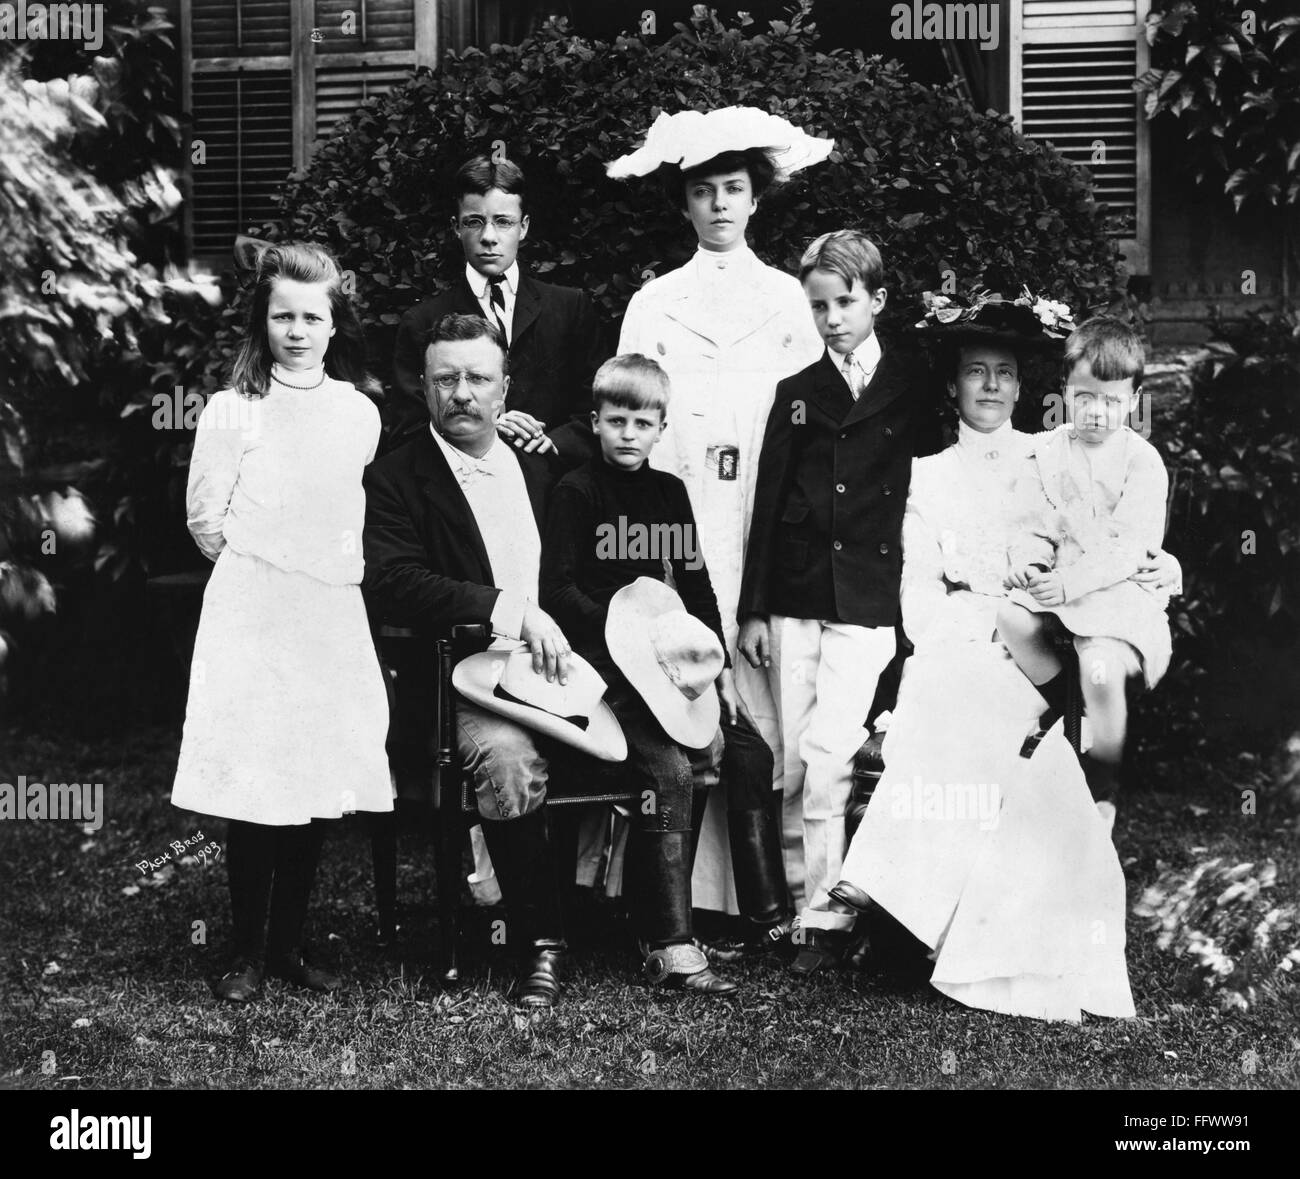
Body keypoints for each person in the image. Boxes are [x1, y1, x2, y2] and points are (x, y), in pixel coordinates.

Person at [823, 294, 1182, 1020]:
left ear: (1025, 388)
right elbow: (920, 592)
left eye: (1004, 373)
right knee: (954, 700)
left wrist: (1165, 564)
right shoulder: (931, 473)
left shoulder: (1053, 449)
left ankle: (896, 894)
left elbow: (1120, 541)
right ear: (953, 384)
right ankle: (906, 911)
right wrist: (977, 629)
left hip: (1057, 642)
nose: (989, 385)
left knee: (979, 709)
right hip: (973, 636)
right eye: (974, 372)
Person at [607, 106, 828, 925]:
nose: (721, 205)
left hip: (759, 517)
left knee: (765, 683)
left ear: (756, 198)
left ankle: (774, 888)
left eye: (734, 188)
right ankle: (680, 894)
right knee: (683, 666)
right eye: (704, 192)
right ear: (686, 204)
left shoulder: (787, 301)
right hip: (678, 512)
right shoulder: (655, 303)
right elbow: (631, 417)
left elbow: (810, 428)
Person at [172, 242, 393, 1002]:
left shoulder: (358, 413)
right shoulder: (234, 409)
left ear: (336, 325)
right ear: (261, 320)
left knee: (311, 773)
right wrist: (262, 570)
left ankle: (290, 941)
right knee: (256, 778)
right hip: (254, 607)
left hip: (327, 610)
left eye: (312, 317)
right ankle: (242, 948)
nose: (297, 330)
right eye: (282, 316)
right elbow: (206, 517)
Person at [541, 354, 785, 988]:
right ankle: (668, 942)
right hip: (605, 671)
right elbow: (558, 591)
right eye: (616, 420)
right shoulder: (576, 492)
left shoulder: (668, 493)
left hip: (670, 663)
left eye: (642, 423)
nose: (628, 434)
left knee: (748, 752)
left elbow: (697, 589)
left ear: (660, 428)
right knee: (671, 769)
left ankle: (767, 923)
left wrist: (720, 666)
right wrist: (626, 632)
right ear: (594, 422)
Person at [737, 231, 940, 973]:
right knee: (793, 760)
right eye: (817, 305)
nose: (830, 318)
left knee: (831, 757)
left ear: (878, 300)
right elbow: (768, 503)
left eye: (844, 301)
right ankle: (802, 907)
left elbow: (932, 490)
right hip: (795, 594)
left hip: (869, 595)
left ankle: (828, 915)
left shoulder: (913, 385)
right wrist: (754, 607)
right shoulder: (797, 393)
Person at [363, 312, 576, 1010]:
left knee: (679, 744)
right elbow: (395, 579)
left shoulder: (541, 464)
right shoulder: (394, 477)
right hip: (458, 681)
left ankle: (661, 929)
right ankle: (540, 942)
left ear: (505, 387)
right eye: (446, 378)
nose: (462, 393)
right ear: (422, 388)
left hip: (558, 673)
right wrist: (506, 609)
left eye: (478, 378)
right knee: (511, 762)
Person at [997, 317, 1173, 811]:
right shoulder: (1045, 452)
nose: (1097, 412)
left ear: (1135, 400)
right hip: (1061, 586)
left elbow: (1131, 546)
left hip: (1116, 589)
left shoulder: (1141, 461)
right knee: (1011, 617)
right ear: (1064, 391)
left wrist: (1071, 583)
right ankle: (1065, 712)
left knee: (1098, 664)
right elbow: (1030, 524)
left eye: (1112, 401)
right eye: (1085, 397)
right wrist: (1029, 564)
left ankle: (1104, 783)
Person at [389, 155, 608, 463]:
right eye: (474, 222)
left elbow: (599, 407)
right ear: (456, 227)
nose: (489, 237)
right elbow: (407, 430)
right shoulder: (422, 321)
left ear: (524, 226)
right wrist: (483, 430)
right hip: (464, 488)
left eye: (503, 222)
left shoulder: (570, 308)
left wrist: (552, 442)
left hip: (557, 484)